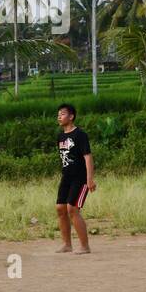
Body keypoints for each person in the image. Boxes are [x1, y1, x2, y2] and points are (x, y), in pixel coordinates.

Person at [55, 102, 95, 254]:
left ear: (71, 117)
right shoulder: (60, 136)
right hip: (66, 177)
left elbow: (88, 157)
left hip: (80, 178)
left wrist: (89, 179)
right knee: (60, 208)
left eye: (63, 114)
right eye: (58, 114)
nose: (59, 116)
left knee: (72, 209)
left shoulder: (80, 135)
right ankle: (67, 244)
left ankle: (85, 246)